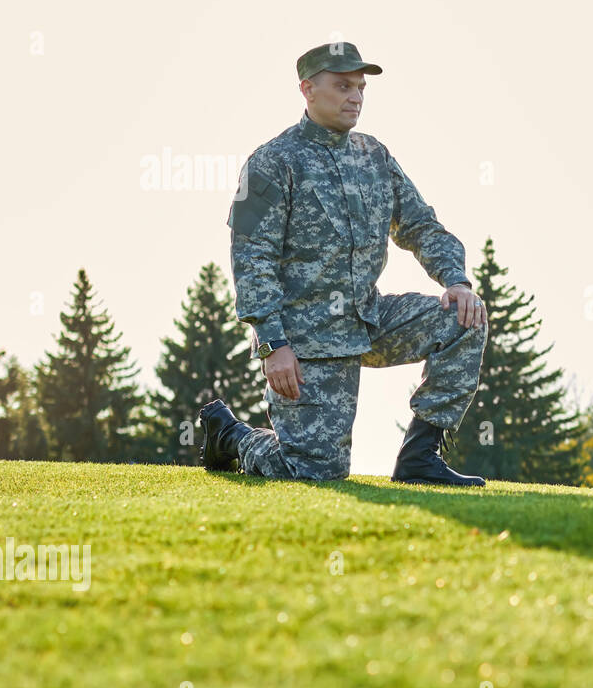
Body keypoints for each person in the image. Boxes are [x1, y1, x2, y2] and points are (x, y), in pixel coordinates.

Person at [199, 41, 488, 486]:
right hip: (306, 338)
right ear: (308, 90)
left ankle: (419, 458)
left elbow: (421, 226)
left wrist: (456, 280)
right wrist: (272, 343)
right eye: (342, 86)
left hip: (369, 318)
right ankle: (233, 436)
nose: (355, 97)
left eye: (360, 87)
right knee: (316, 472)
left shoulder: (375, 156)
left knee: (465, 319)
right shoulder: (271, 162)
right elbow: (251, 257)